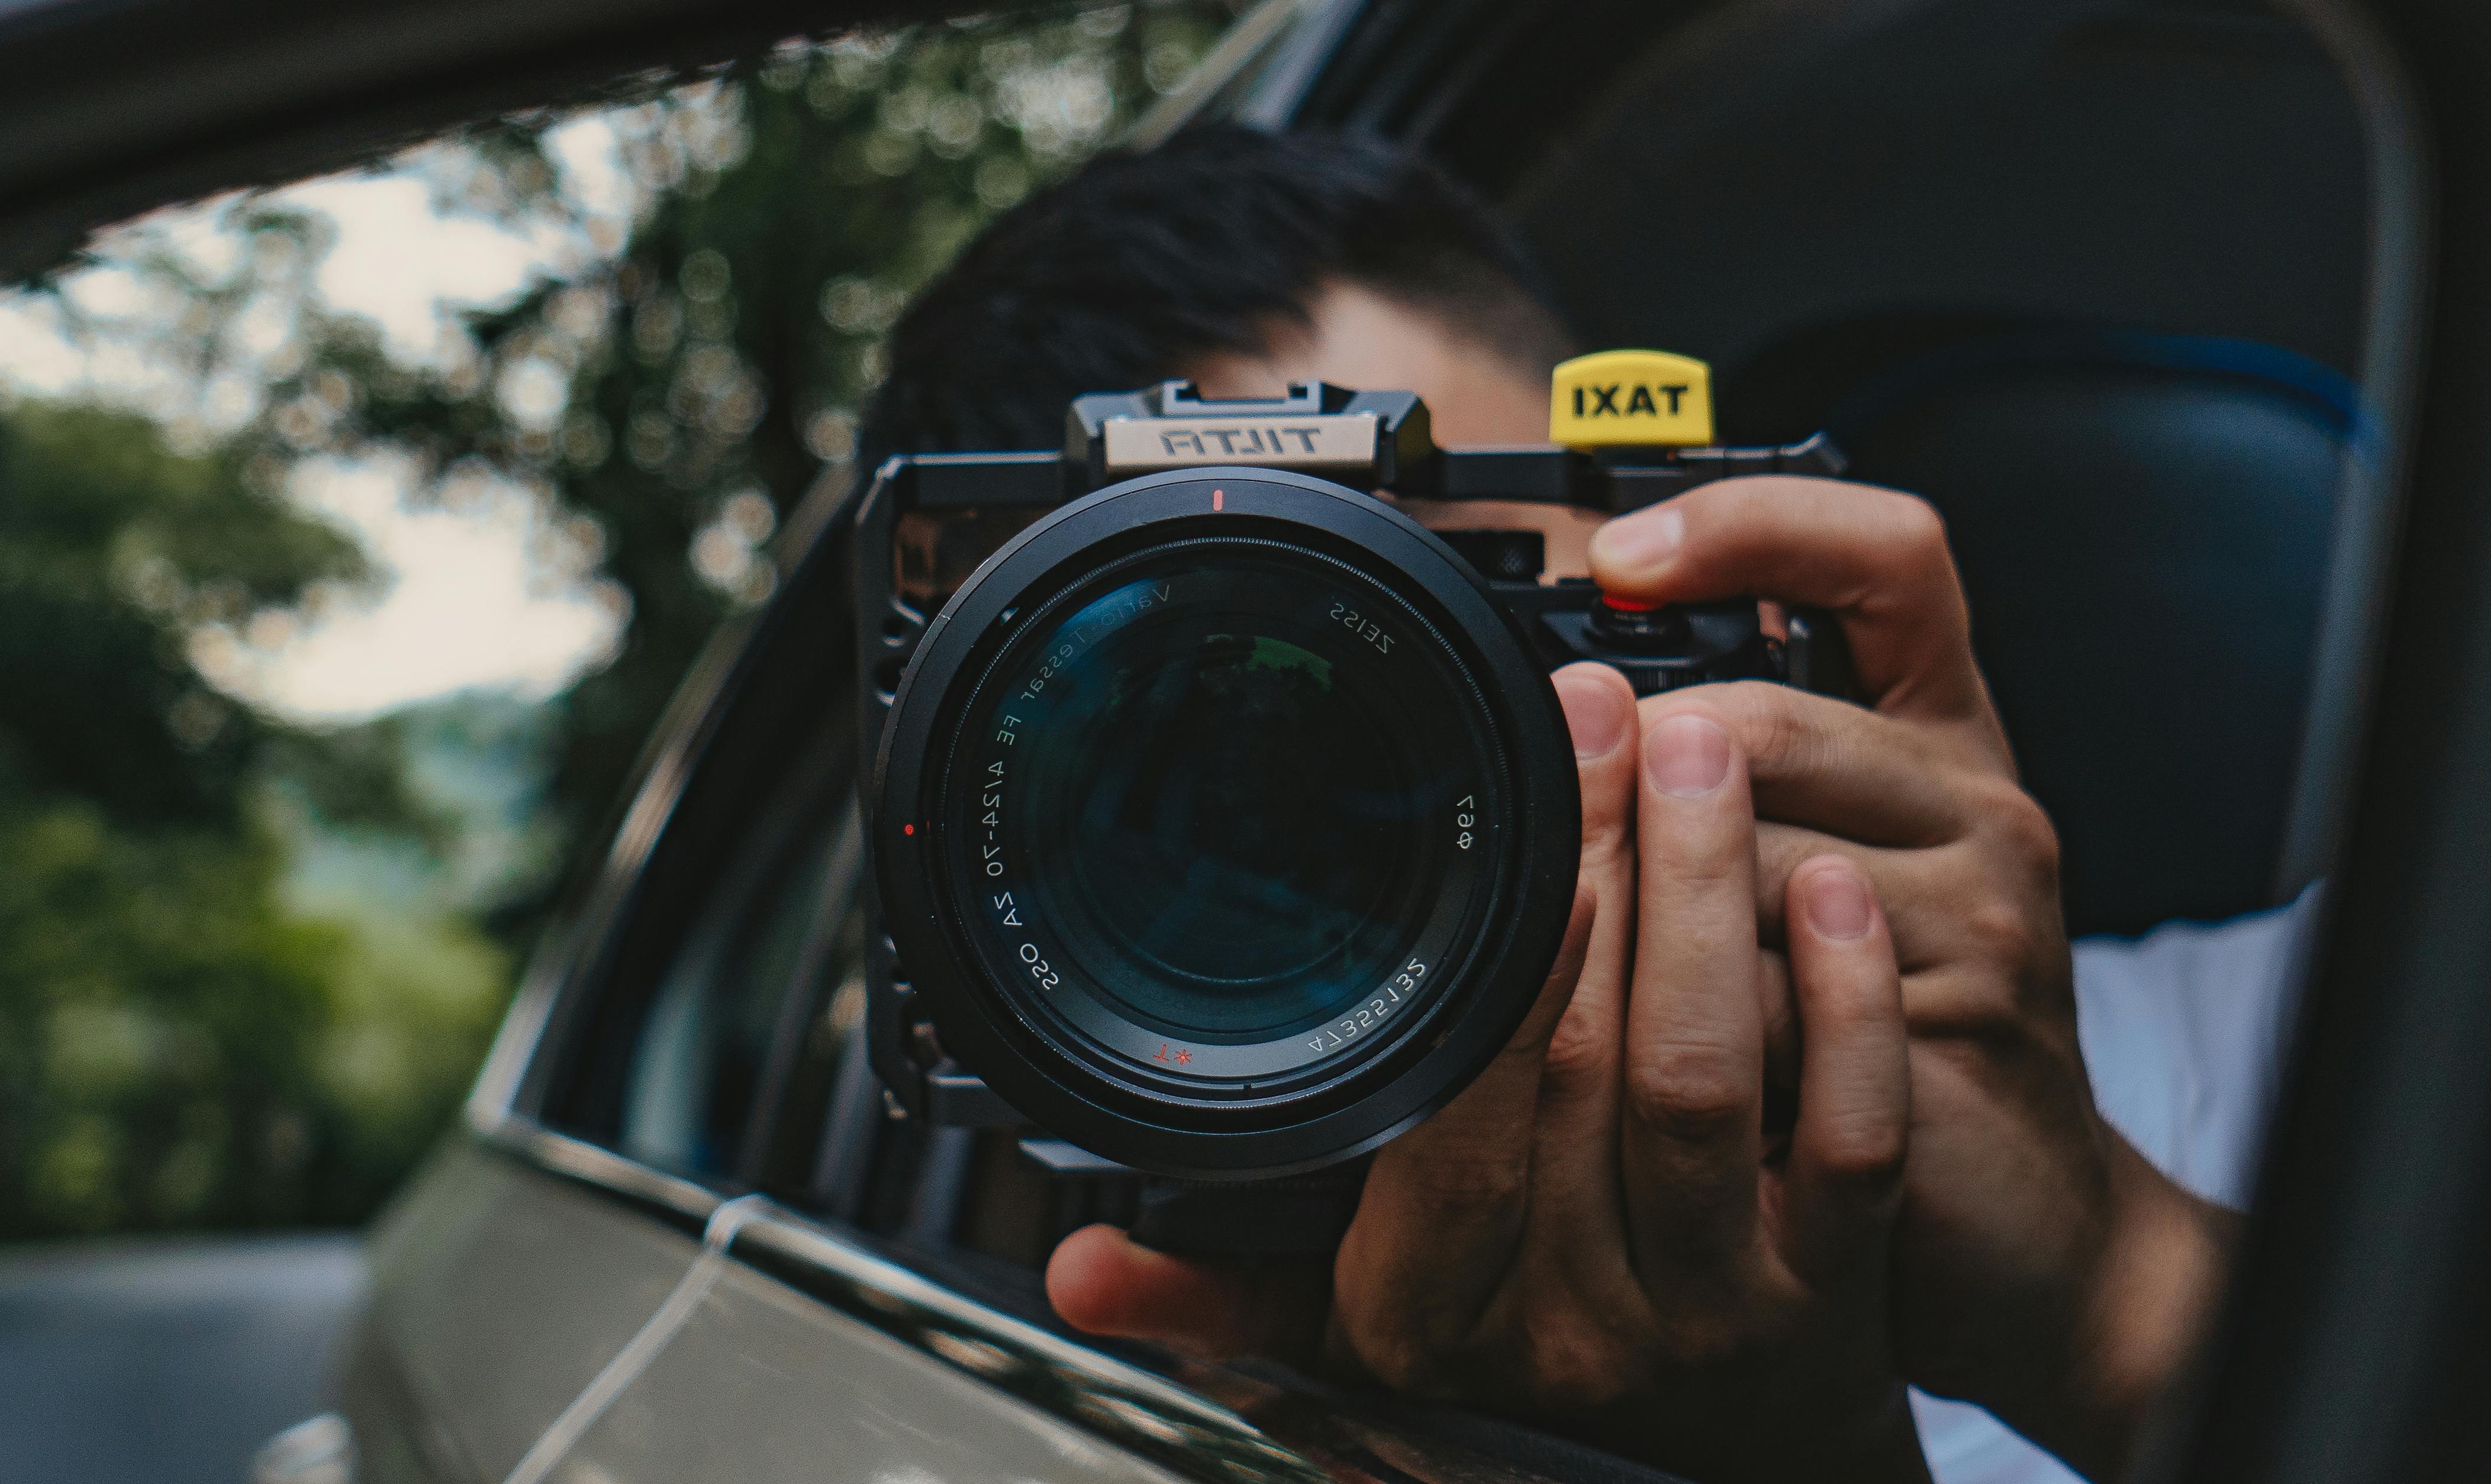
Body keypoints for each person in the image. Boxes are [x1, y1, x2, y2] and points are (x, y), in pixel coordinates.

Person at [858, 125, 2316, 1484]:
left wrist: (2109, 1287)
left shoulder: (2331, 1049)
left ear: (1712, 606)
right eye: (1167, 779)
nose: (1347, 824)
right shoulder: (1105, 1378)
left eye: (1469, 619)